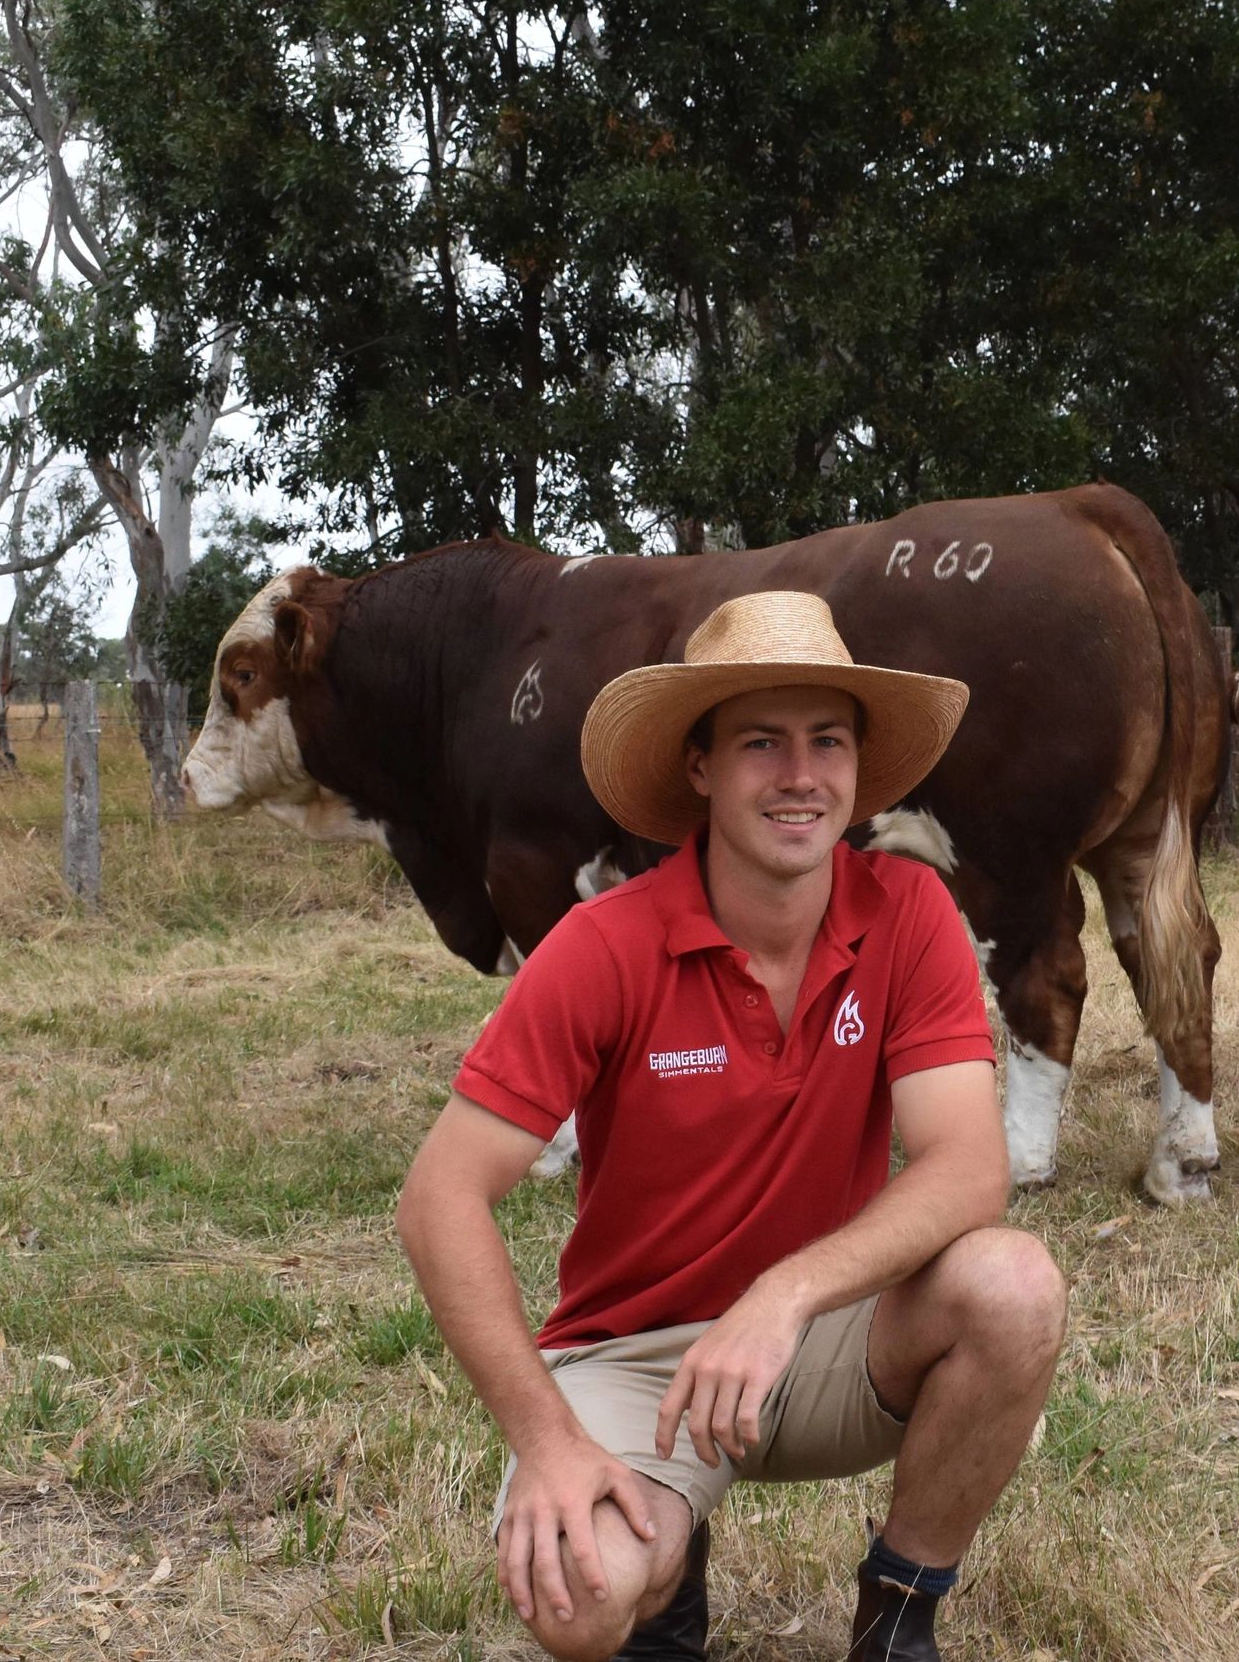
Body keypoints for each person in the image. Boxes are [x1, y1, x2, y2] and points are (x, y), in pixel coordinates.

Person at [396, 591, 1069, 1662]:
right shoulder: (602, 943)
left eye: (826, 740)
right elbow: (439, 1198)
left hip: (819, 1336)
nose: (799, 774)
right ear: (699, 768)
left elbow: (968, 1168)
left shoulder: (908, 911)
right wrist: (547, 1439)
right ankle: (665, 1577)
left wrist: (785, 1291)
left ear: (858, 768)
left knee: (1014, 1284)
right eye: (761, 741)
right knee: (581, 1600)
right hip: (640, 1356)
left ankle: (897, 1615)